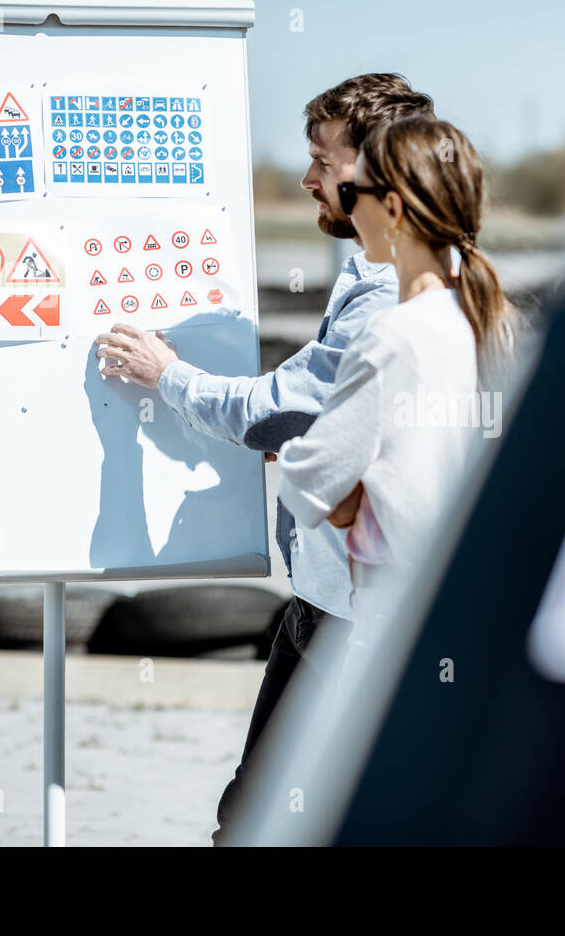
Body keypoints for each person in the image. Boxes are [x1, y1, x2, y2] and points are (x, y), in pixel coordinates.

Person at [92, 74, 434, 845]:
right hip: (325, 599)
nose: (308, 177)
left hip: (357, 615)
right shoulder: (375, 265)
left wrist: (165, 375)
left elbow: (279, 410)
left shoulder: (388, 293)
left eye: (322, 159)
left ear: (374, 171)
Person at [275, 116, 519, 670]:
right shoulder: (497, 322)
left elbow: (307, 486)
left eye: (354, 190)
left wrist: (311, 460)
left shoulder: (390, 335)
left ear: (393, 210)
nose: (346, 203)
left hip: (393, 638)